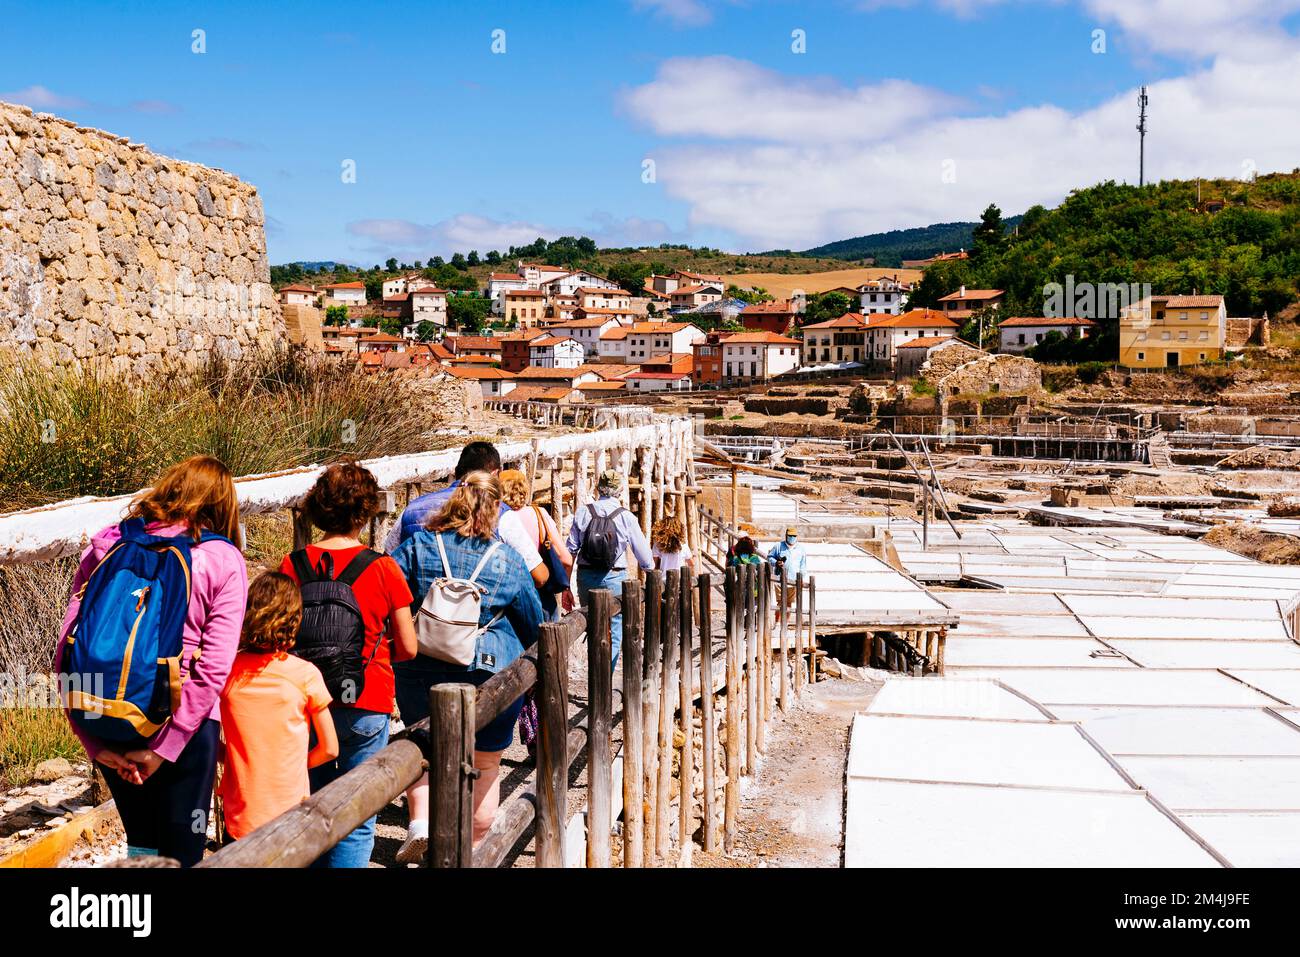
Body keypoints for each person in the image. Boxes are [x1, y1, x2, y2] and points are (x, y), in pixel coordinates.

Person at [56, 455, 247, 867]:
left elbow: (68, 648)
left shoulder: (111, 543)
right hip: (183, 726)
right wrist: (166, 748)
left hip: (110, 720)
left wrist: (94, 744)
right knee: (183, 851)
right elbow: (213, 667)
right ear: (221, 505)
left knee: (141, 839)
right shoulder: (222, 558)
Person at [390, 471, 544, 862]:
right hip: (486, 670)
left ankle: (421, 825)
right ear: (494, 508)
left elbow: (390, 591)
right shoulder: (506, 559)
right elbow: (532, 619)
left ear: (454, 499)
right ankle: (474, 847)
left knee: (421, 746)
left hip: (420, 663)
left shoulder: (418, 546)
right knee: (486, 760)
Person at [278, 461, 418, 868]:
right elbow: (407, 647)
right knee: (357, 817)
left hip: (305, 703)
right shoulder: (383, 568)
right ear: (365, 511)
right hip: (366, 698)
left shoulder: (293, 565)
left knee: (311, 809)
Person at [218, 572, 338, 841]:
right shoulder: (305, 674)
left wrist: (231, 758)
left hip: (241, 811)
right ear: (295, 620)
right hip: (289, 810)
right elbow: (330, 748)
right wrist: (293, 765)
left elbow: (206, 729)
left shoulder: (227, 671)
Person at [385, 441, 549, 590]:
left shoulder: (413, 509)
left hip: (420, 616)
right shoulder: (501, 514)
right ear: (494, 475)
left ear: (456, 472)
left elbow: (389, 563)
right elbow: (539, 576)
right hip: (481, 615)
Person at [566, 469, 654, 666]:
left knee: (592, 625)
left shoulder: (583, 512)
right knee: (614, 630)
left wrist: (566, 586)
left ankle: (594, 676)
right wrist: (653, 574)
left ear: (598, 488)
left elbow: (570, 550)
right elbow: (646, 559)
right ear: (620, 491)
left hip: (586, 577)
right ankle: (605, 679)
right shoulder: (626, 517)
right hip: (614, 576)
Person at [499, 468, 574, 620]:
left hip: (508, 596)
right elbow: (566, 558)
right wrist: (565, 587)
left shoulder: (498, 519)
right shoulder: (539, 514)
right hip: (542, 593)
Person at [766, 526, 807, 606]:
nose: (792, 537)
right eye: (790, 536)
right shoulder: (778, 546)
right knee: (780, 602)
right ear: (786, 535)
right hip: (780, 579)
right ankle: (778, 619)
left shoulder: (801, 548)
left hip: (794, 579)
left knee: (789, 603)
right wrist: (776, 562)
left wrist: (802, 577)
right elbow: (769, 557)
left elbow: (803, 565)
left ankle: (785, 619)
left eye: (794, 536)